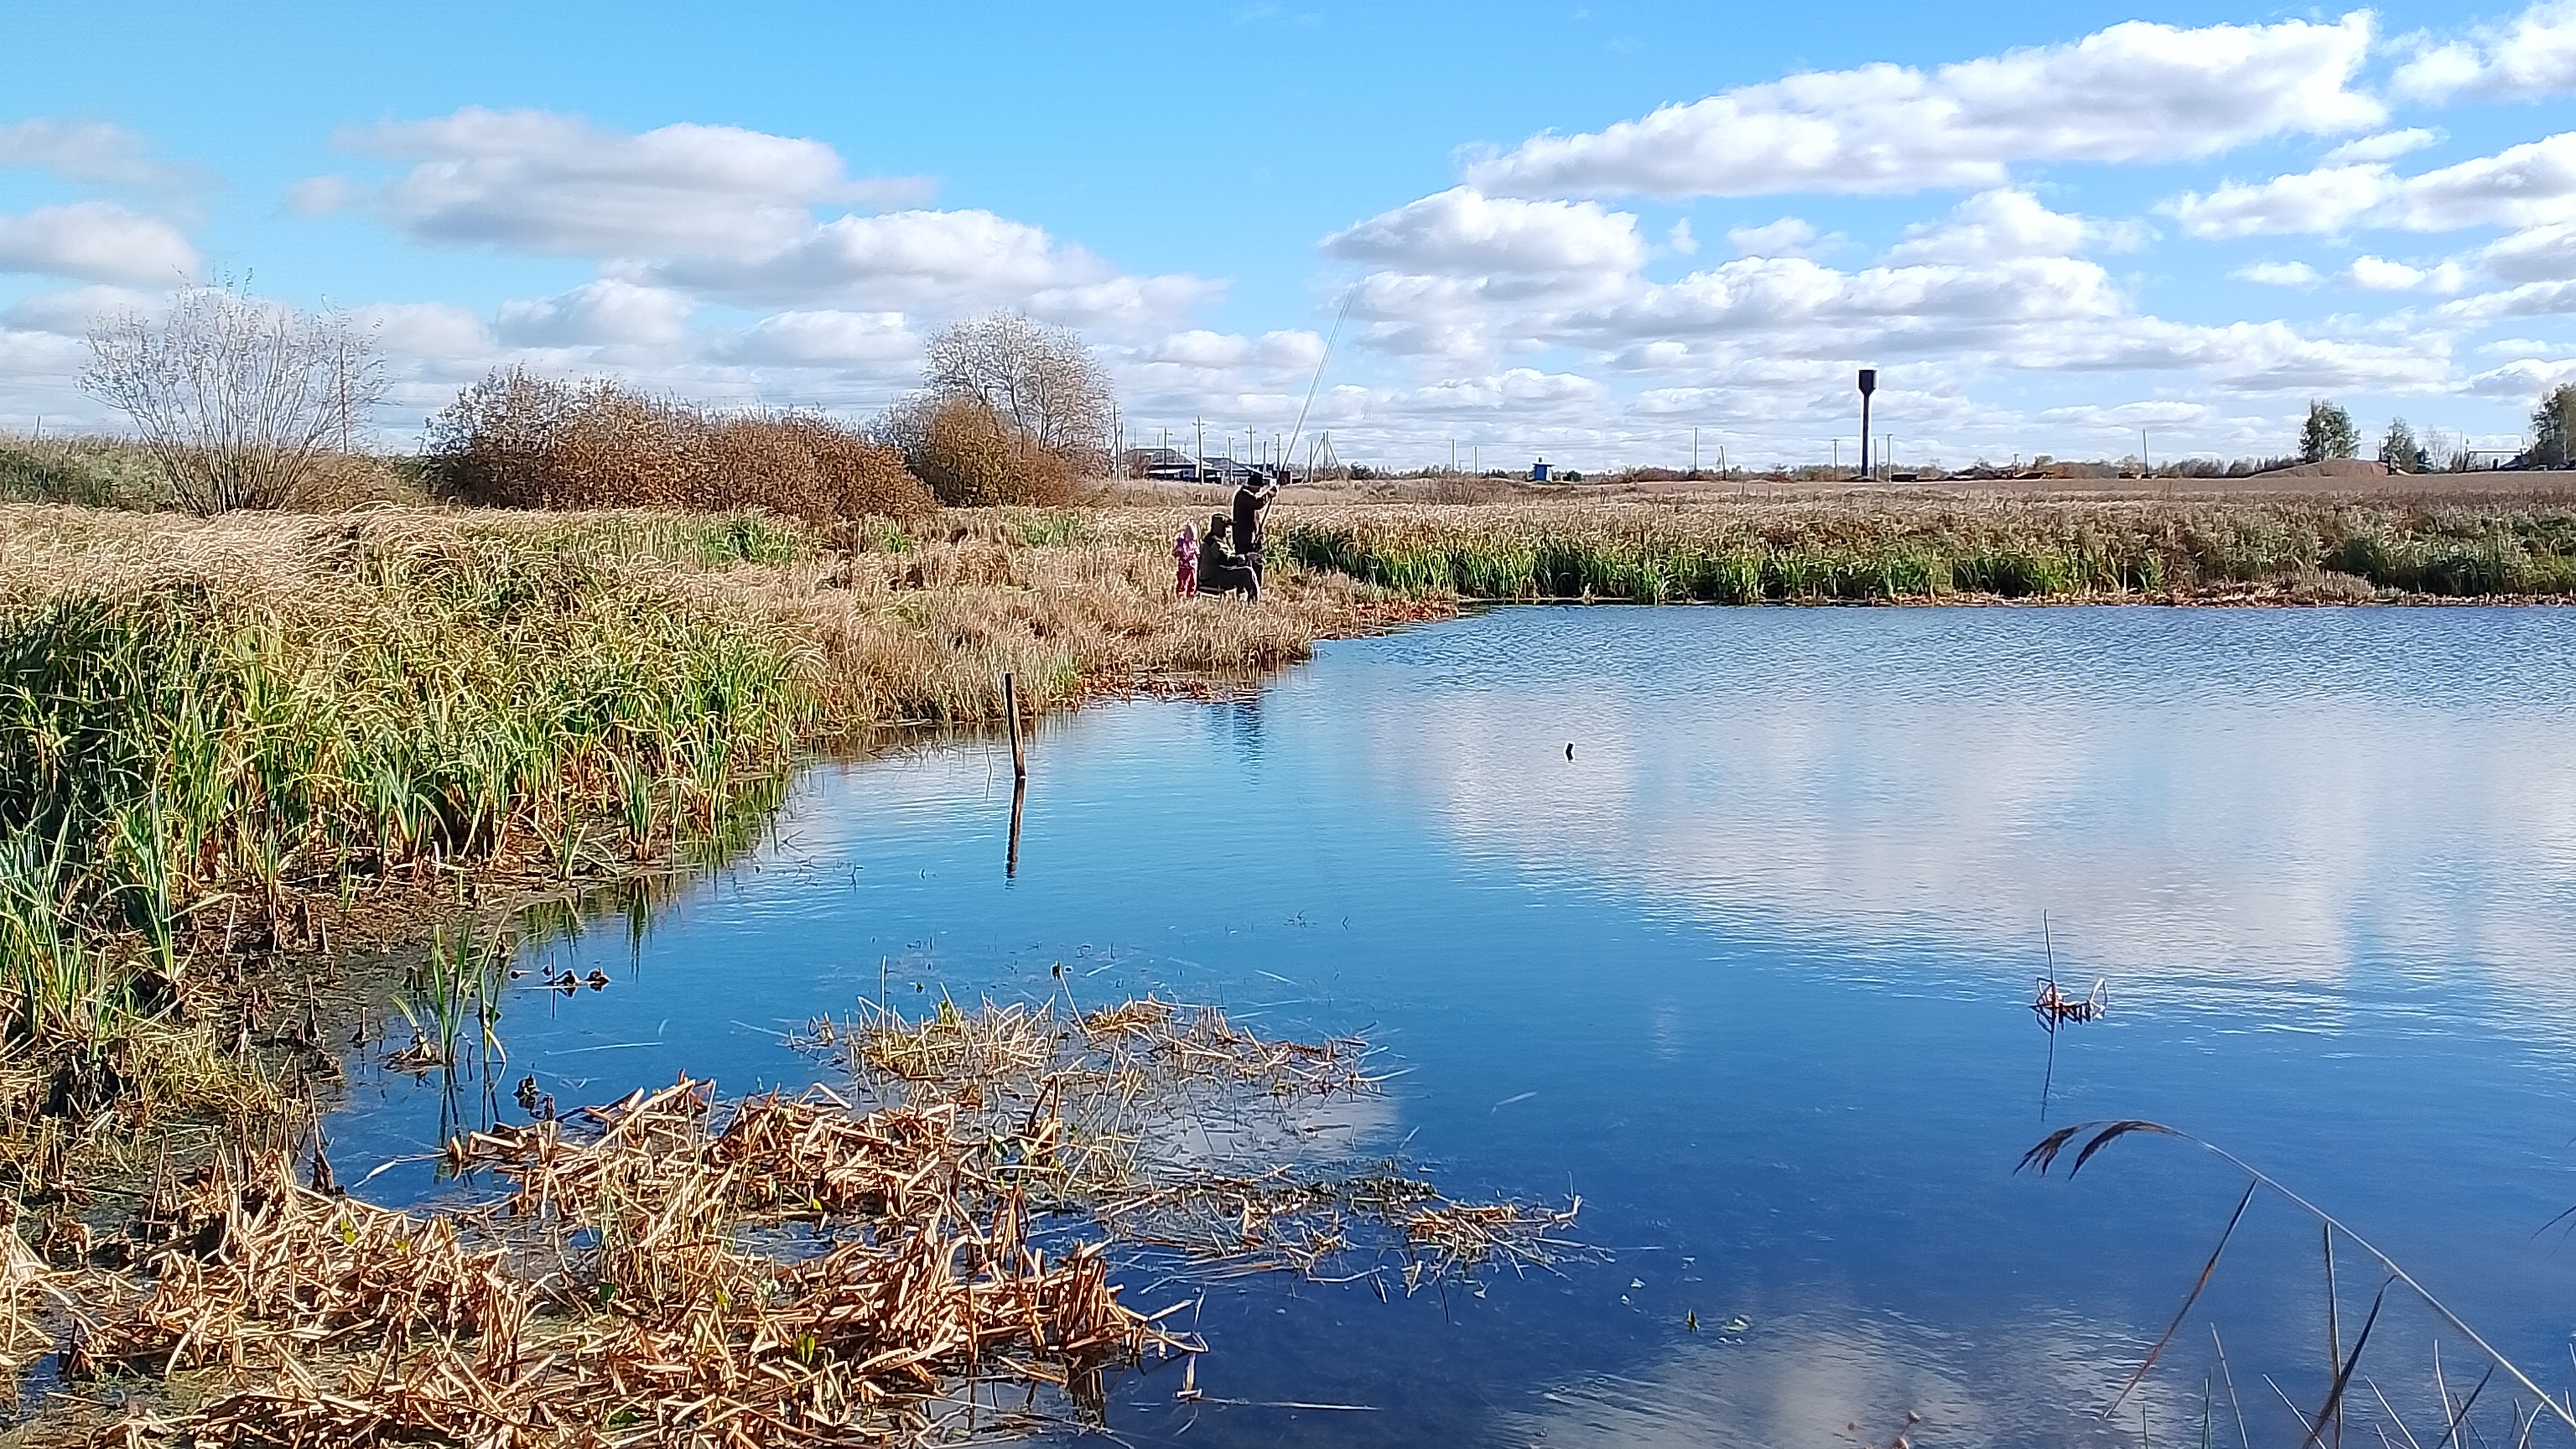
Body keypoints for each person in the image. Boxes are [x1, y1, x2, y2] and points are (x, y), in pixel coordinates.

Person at [1229, 470, 1282, 575]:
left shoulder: (1246, 494)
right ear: (1253, 486)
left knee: (1254, 562)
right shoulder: (1244, 496)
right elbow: (1258, 504)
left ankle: (1253, 585)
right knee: (1246, 563)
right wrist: (1270, 493)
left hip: (1250, 537)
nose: (1260, 490)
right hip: (1244, 539)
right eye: (1258, 487)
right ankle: (1247, 586)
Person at [1197, 513, 1260, 600]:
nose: (1228, 531)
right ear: (1220, 528)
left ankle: (1242, 597)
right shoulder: (1213, 542)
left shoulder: (1214, 540)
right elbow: (1225, 560)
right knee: (1247, 573)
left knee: (1245, 566)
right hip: (1213, 578)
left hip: (1216, 574)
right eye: (1226, 527)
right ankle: (1254, 602)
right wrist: (1246, 557)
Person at [1172, 522, 1198, 598]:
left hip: (1193, 567)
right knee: (1183, 584)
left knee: (1192, 584)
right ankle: (1181, 598)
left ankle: (1190, 598)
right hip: (1184, 567)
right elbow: (1176, 553)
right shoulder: (1182, 544)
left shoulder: (1193, 543)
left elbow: (1198, 553)